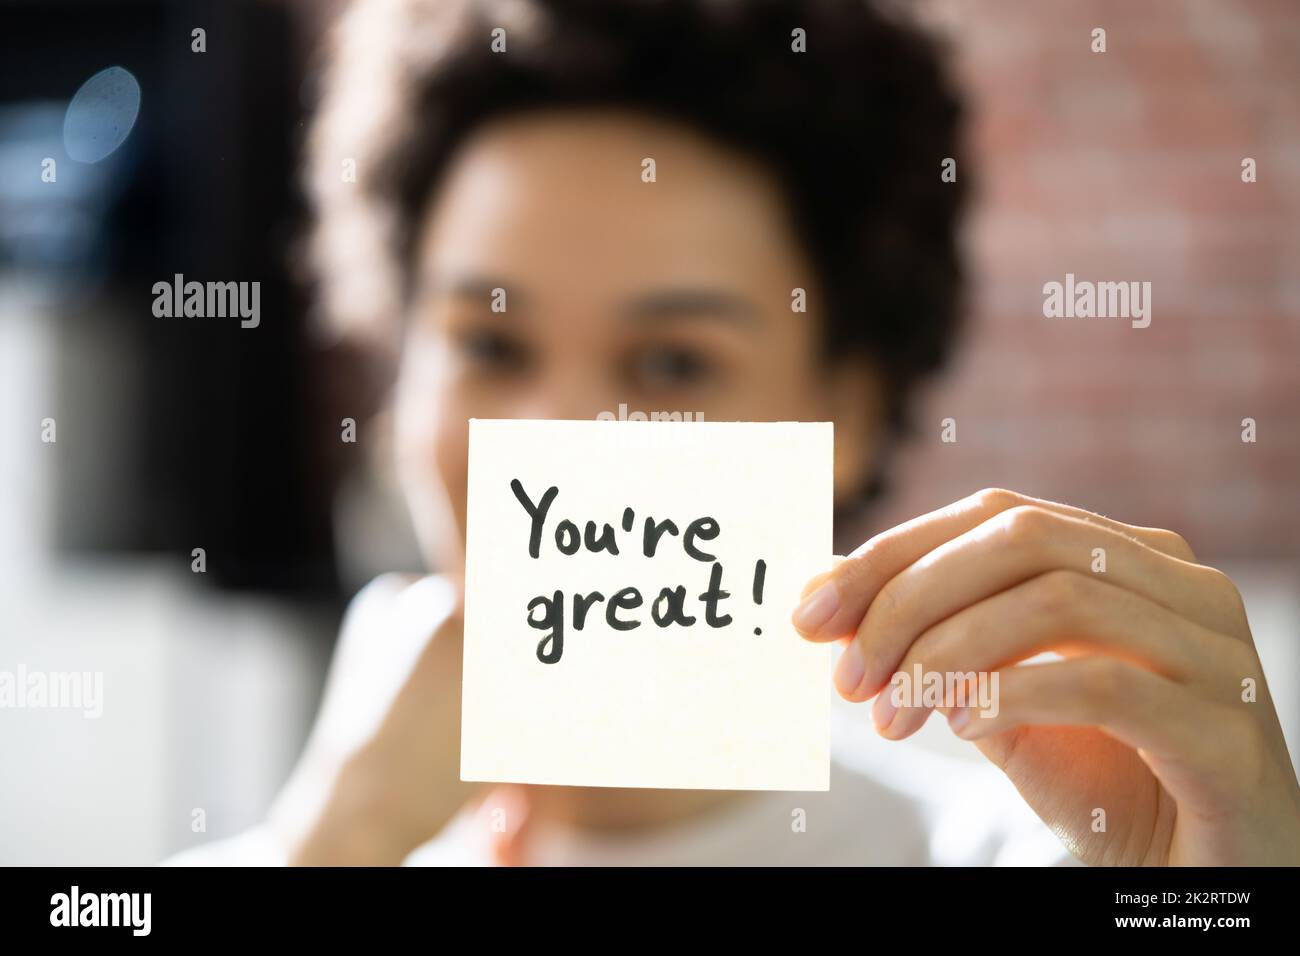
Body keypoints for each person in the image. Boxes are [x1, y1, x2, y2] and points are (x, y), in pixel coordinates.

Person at [170, 0, 1300, 866]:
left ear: (851, 406)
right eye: (490, 345)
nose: (563, 440)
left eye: (671, 363)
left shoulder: (1050, 860)